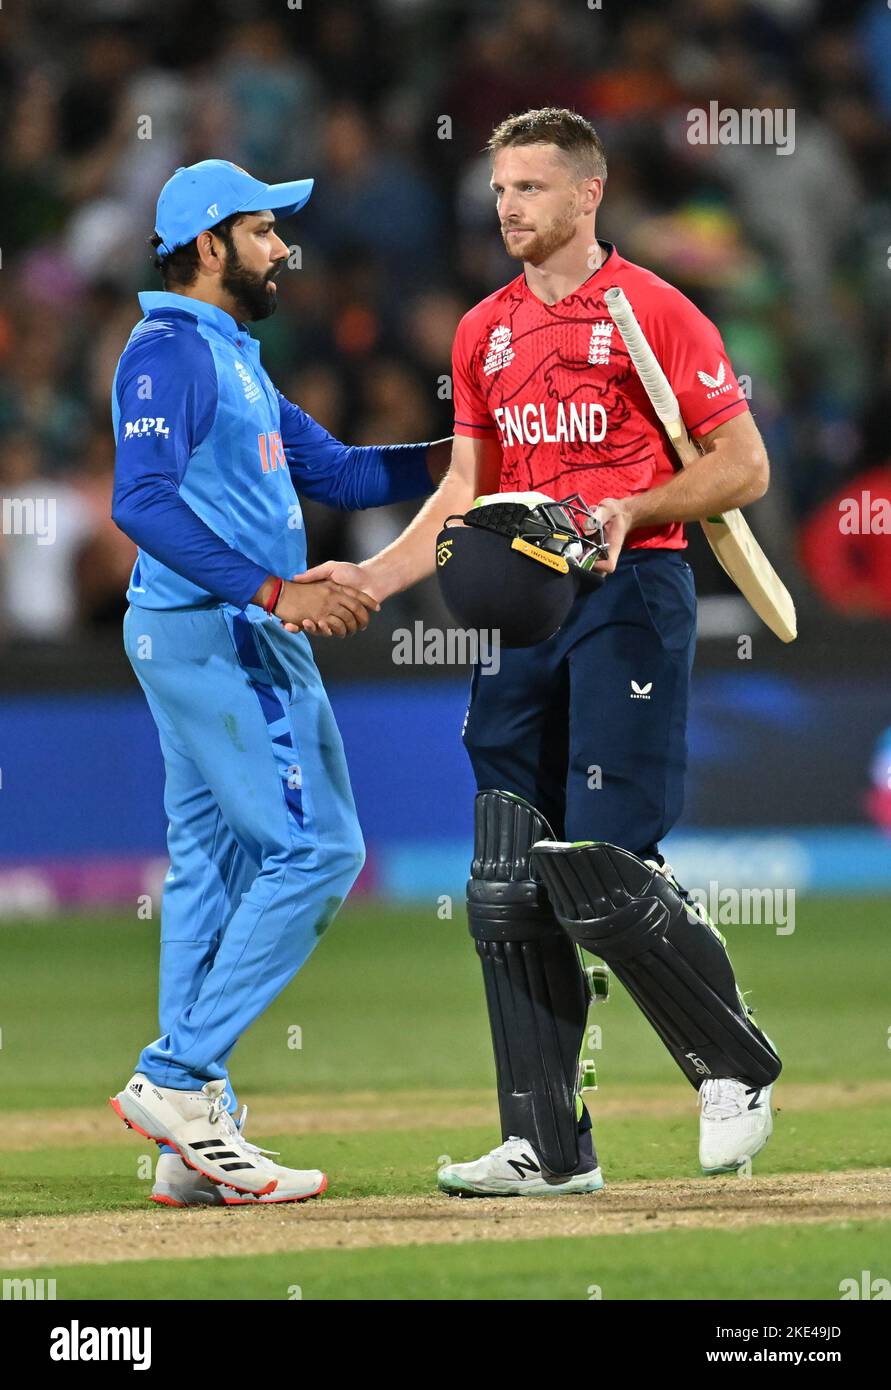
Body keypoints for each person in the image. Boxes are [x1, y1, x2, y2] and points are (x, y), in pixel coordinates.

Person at [299, 109, 782, 1196]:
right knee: (507, 880)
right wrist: (375, 581)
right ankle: (546, 1147)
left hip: (631, 593)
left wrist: (628, 507)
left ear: (587, 195)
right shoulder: (482, 333)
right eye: (500, 188)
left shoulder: (655, 310)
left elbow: (743, 465)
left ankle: (733, 1064)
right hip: (518, 605)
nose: (509, 206)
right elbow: (465, 492)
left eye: (530, 187)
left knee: (599, 871)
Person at [108, 159, 450, 1205]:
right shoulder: (166, 352)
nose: (281, 248)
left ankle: (186, 1145)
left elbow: (344, 473)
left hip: (203, 630)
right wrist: (273, 593)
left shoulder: (228, 355)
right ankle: (175, 1079)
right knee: (318, 848)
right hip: (224, 628)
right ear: (208, 247)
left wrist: (473, 455)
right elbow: (141, 503)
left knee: (211, 865)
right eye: (262, 231)